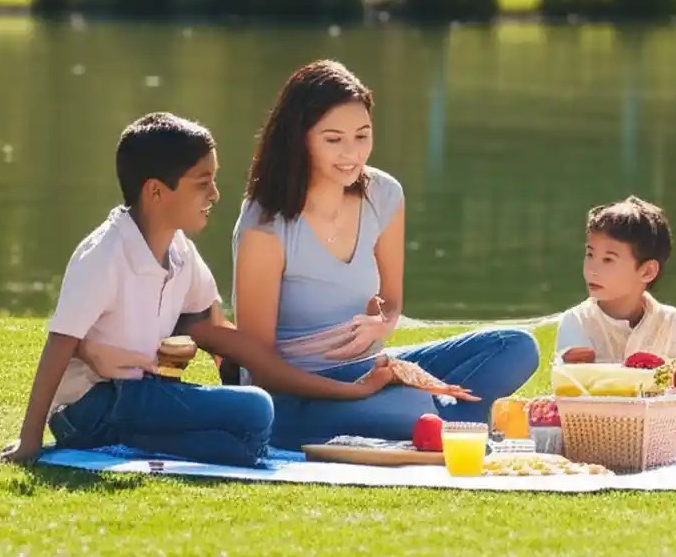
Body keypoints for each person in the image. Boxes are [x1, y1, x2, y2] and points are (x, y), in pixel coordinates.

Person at [0, 113, 391, 468]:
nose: (215, 195)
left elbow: (217, 334)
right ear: (155, 192)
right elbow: (59, 343)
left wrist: (314, 383)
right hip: (92, 404)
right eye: (203, 183)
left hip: (141, 394)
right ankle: (117, 438)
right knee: (255, 413)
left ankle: (135, 442)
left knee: (252, 426)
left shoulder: (181, 252)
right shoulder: (103, 255)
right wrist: (30, 438)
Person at [231, 59, 540, 449]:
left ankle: (441, 422)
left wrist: (383, 324)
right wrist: (356, 392)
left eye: (362, 135)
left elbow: (392, 303)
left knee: (514, 346)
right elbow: (259, 366)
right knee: (410, 409)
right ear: (299, 137)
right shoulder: (266, 221)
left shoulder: (384, 195)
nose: (352, 153)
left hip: (373, 368)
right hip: (295, 396)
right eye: (333, 139)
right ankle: (448, 423)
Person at [553, 197, 676, 391]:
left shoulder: (672, 324)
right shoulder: (576, 322)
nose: (592, 269)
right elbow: (571, 392)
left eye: (608, 260)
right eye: (590, 255)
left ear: (647, 271)